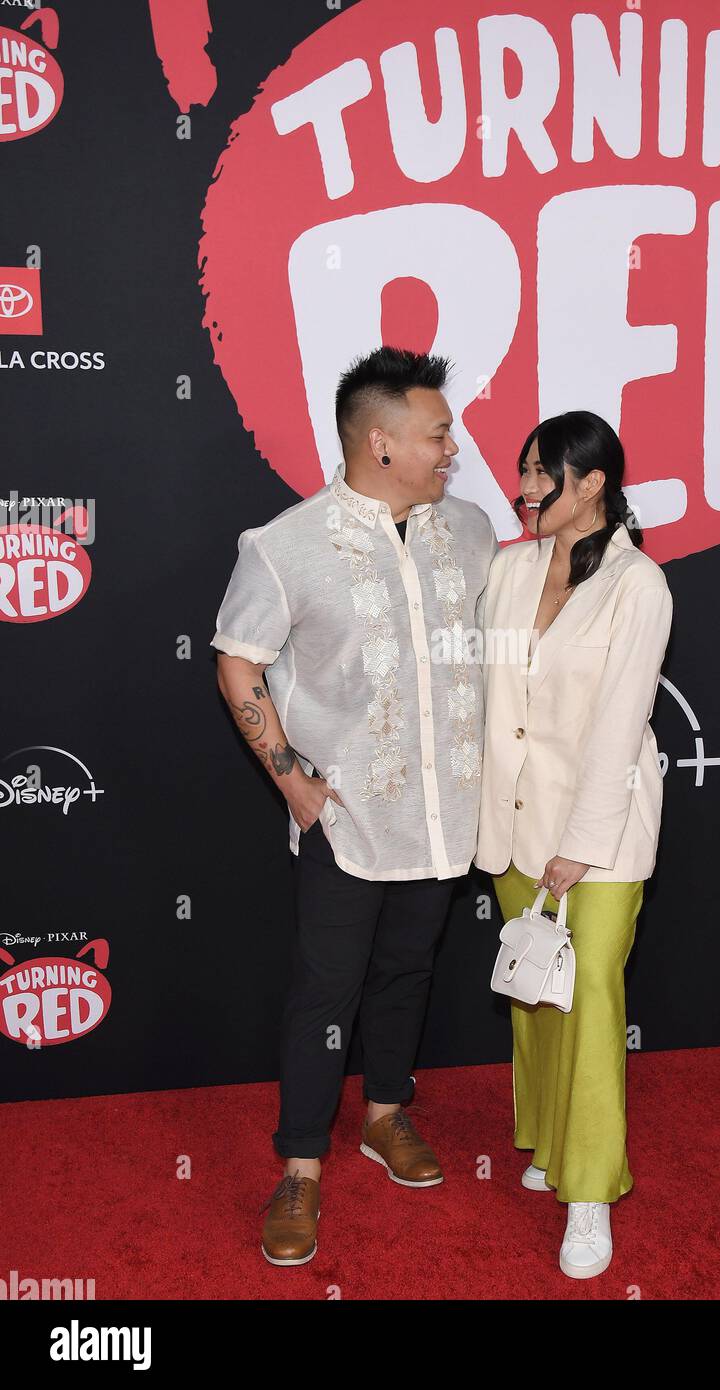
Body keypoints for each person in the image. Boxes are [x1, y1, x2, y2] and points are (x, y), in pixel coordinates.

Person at [211, 346, 497, 1266]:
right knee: (323, 991)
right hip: (345, 818)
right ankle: (300, 1167)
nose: (453, 447)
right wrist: (290, 775)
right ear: (381, 442)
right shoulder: (285, 544)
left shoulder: (474, 530)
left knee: (407, 972)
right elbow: (236, 659)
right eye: (438, 433)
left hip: (446, 812)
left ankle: (384, 1115)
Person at [474, 411, 673, 1280]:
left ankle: (589, 1192)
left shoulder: (640, 586)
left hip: (598, 836)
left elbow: (619, 727)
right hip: (516, 824)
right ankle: (550, 1143)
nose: (521, 490)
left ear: (590, 485)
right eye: (520, 472)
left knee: (588, 991)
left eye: (538, 475)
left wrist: (578, 847)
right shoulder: (509, 568)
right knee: (534, 988)